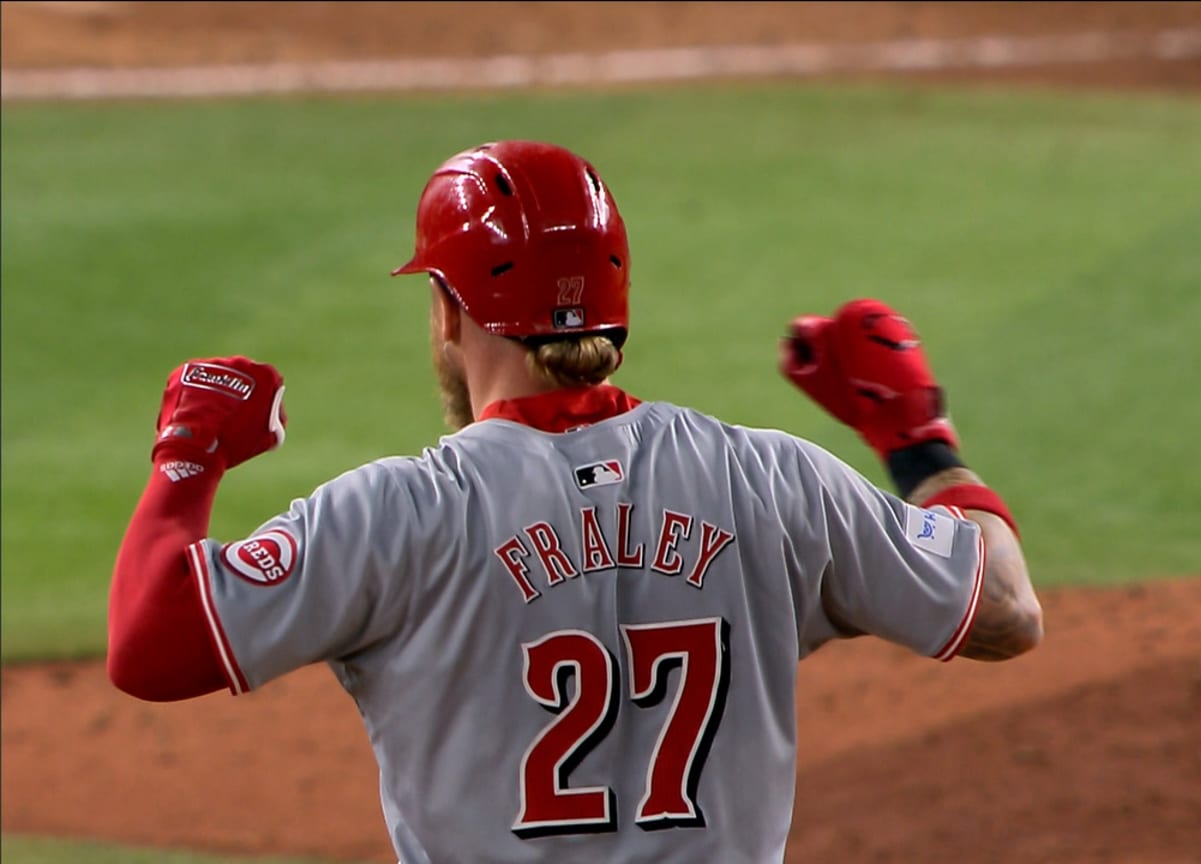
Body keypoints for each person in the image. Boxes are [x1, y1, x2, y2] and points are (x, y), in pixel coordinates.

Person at [108, 139, 1043, 863]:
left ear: (447, 310)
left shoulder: (400, 515)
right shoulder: (774, 481)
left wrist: (188, 456)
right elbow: (1003, 610)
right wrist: (915, 439)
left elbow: (151, 648)